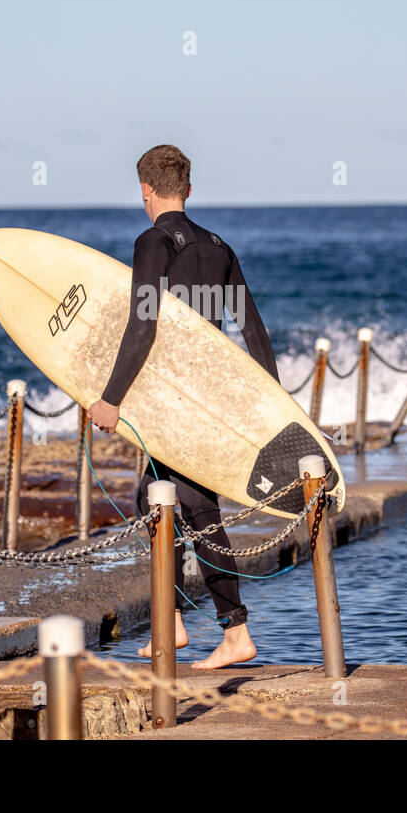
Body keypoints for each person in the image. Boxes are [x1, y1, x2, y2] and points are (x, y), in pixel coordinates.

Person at [89, 144, 280, 669]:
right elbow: (253, 331)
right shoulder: (218, 247)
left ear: (145, 190)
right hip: (208, 397)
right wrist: (271, 404)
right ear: (188, 190)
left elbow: (143, 323)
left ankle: (235, 632)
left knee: (195, 509)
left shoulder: (153, 242)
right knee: (157, 501)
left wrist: (111, 398)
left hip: (171, 400)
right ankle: (170, 622)